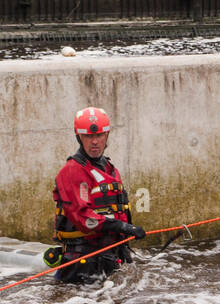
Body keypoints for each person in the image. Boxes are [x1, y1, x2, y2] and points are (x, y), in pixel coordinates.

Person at [47, 107, 146, 284]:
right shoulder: (73, 171)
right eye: (88, 136)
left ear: (106, 136)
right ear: (79, 137)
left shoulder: (108, 168)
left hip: (109, 255)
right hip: (82, 261)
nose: (95, 142)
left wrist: (123, 244)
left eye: (99, 136)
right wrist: (123, 227)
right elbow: (85, 218)